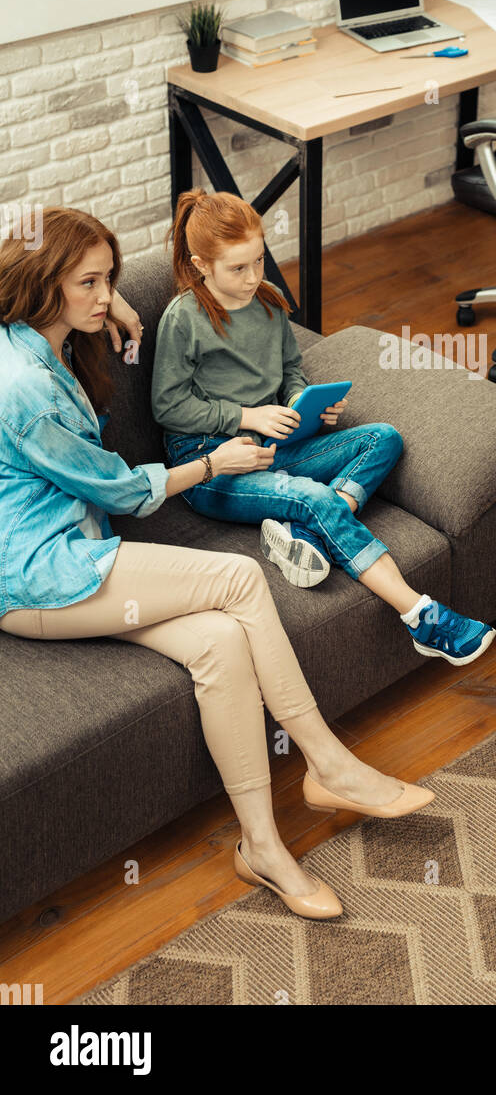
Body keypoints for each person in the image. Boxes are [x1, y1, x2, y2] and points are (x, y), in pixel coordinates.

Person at [0, 206, 438, 921]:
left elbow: (100, 312)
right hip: (39, 575)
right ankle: (329, 764)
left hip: (79, 555)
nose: (106, 295)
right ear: (42, 280)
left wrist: (119, 314)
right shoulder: (22, 387)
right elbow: (117, 487)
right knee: (237, 577)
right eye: (89, 283)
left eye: (110, 278)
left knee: (222, 642)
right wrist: (213, 462)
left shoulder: (46, 339)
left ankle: (261, 848)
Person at [150, 188, 496, 666]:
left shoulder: (269, 303)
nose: (254, 277)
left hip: (277, 444)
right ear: (201, 264)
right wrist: (246, 417)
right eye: (238, 268)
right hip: (211, 466)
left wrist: (301, 401)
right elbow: (168, 407)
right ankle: (421, 616)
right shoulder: (183, 319)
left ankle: (309, 536)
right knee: (310, 497)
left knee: (383, 438)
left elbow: (291, 367)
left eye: (259, 261)